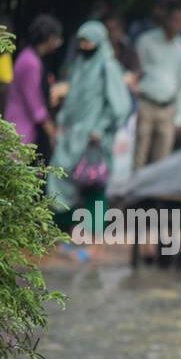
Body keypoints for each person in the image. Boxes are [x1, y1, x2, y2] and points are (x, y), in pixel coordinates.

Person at [46, 19, 133, 229]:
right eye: (81, 42)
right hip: (70, 135)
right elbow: (73, 98)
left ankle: (94, 231)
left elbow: (120, 106)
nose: (84, 46)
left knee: (93, 182)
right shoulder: (79, 65)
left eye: (88, 42)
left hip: (93, 139)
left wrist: (99, 129)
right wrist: (61, 122)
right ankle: (61, 229)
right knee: (60, 178)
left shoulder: (108, 67)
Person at [133, 2, 181, 170]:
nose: (177, 24)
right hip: (145, 104)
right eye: (174, 19)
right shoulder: (146, 41)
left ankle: (153, 197)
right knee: (138, 157)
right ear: (167, 19)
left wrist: (180, 117)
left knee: (162, 161)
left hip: (168, 109)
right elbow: (136, 74)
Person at [3, 14, 63, 157]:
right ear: (50, 38)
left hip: (18, 125)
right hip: (19, 128)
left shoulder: (28, 56)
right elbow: (35, 104)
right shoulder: (31, 62)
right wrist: (51, 130)